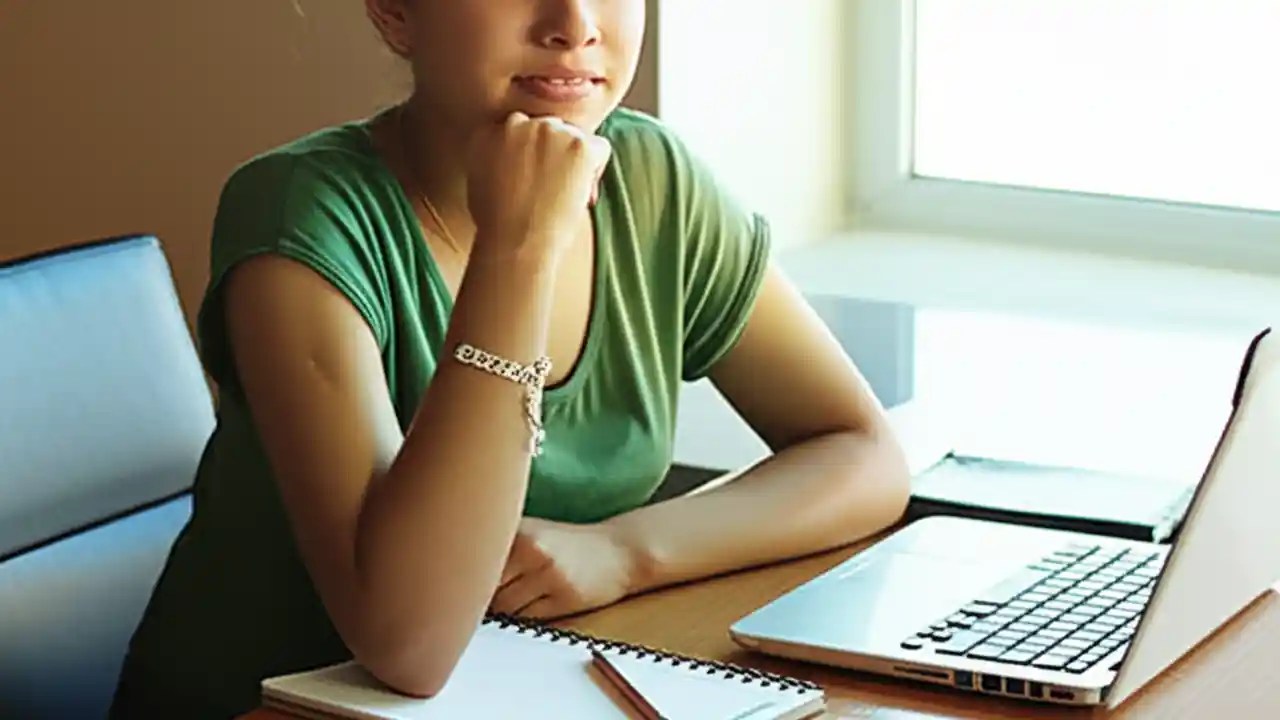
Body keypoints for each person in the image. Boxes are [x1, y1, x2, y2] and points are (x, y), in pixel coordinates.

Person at [108, 1, 912, 717]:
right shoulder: (302, 215)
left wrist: (623, 553)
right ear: (394, 12)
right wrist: (521, 248)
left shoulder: (651, 176)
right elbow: (408, 645)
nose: (574, 22)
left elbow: (863, 455)